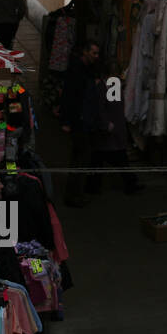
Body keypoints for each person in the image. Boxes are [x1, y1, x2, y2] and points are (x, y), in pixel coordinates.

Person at [57, 39, 102, 208]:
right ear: (85, 52)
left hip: (83, 120)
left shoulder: (85, 69)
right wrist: (66, 121)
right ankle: (74, 195)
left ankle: (76, 192)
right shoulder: (77, 71)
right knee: (79, 158)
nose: (96, 57)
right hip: (79, 121)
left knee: (80, 157)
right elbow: (69, 97)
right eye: (94, 53)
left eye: (97, 54)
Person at [90, 58, 143, 195]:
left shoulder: (106, 86)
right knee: (116, 158)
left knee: (101, 159)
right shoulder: (107, 87)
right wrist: (108, 124)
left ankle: (94, 187)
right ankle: (129, 184)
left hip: (111, 130)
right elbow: (105, 108)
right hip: (110, 130)